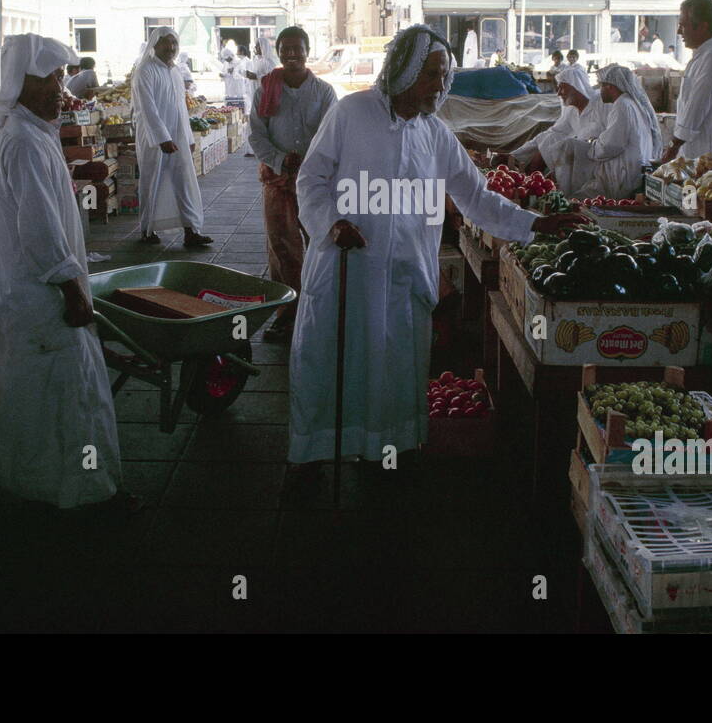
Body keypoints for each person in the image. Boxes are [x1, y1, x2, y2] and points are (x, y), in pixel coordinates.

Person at [286, 24, 584, 489]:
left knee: (391, 372)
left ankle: (381, 454)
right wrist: (330, 223)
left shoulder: (435, 134)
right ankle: (308, 459)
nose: (440, 85)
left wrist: (534, 224)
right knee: (330, 362)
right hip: (348, 269)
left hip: (405, 277)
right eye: (430, 74)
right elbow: (311, 180)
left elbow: (476, 197)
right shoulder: (351, 112)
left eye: (444, 75)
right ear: (403, 70)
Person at [0, 34, 124, 510]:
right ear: (17, 84)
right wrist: (72, 289)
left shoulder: (19, 133)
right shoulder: (24, 142)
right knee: (69, 392)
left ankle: (26, 481)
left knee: (28, 390)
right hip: (41, 291)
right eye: (45, 77)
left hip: (19, 288)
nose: (57, 87)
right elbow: (40, 229)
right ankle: (86, 492)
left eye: (58, 76)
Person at [249, 26, 338, 342]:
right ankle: (287, 317)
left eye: (297, 48)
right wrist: (279, 159)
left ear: (307, 50)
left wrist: (310, 165)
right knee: (283, 251)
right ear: (278, 52)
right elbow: (256, 135)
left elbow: (332, 137)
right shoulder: (265, 90)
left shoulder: (325, 92)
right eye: (284, 49)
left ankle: (322, 312)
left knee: (322, 245)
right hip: (277, 181)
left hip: (315, 183)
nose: (290, 54)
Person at [131, 27, 213, 248]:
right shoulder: (145, 70)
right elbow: (147, 109)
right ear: (154, 45)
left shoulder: (175, 72)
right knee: (153, 182)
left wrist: (188, 136)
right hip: (154, 139)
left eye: (174, 43)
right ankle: (147, 230)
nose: (171, 48)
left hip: (178, 137)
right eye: (166, 43)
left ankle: (191, 230)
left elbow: (181, 109)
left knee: (184, 182)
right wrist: (162, 138)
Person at [660, 0, 712, 164]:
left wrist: (672, 148)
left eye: (683, 25)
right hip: (701, 153)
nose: (679, 31)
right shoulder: (708, 53)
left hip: (711, 155)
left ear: (703, 27)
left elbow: (695, 109)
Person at [507, 63, 602, 193]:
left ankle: (558, 190)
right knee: (550, 138)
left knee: (568, 143)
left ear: (576, 88)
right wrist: (514, 155)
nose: (558, 94)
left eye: (562, 89)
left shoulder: (600, 106)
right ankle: (532, 184)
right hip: (579, 158)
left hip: (598, 161)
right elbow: (551, 133)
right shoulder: (571, 112)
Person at [584, 65, 663, 199]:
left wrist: (592, 145)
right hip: (634, 171)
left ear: (611, 86)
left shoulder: (622, 105)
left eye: (601, 85)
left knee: (576, 194)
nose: (600, 90)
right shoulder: (630, 103)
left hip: (624, 176)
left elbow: (611, 145)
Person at [220, 39, 245, 108]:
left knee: (238, 104)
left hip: (237, 86)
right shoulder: (226, 63)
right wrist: (223, 75)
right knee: (230, 104)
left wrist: (233, 71)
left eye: (227, 58)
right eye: (225, 59)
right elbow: (224, 72)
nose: (227, 60)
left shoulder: (238, 62)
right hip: (229, 86)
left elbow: (242, 74)